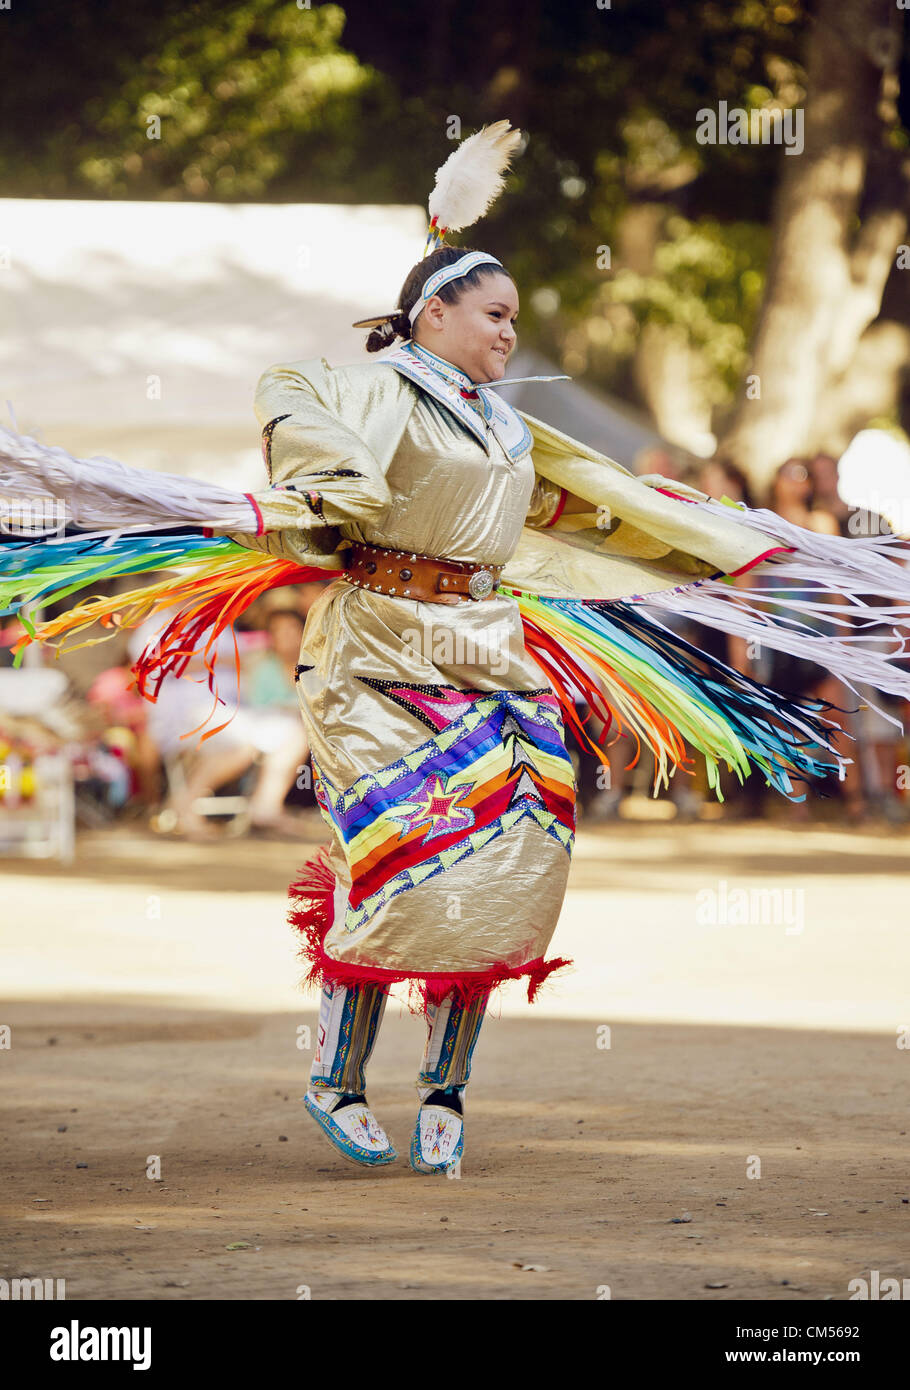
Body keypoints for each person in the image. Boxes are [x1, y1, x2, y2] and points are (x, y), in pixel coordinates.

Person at [4, 121, 910, 1175]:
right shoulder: (355, 388)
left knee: (520, 857)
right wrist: (322, 490)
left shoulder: (511, 425)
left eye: (514, 319)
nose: (508, 334)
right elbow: (302, 425)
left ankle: (446, 1087)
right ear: (431, 312)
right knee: (398, 864)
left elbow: (605, 503)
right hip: (375, 655)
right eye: (492, 314)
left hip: (490, 649)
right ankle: (336, 1075)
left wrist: (744, 547)